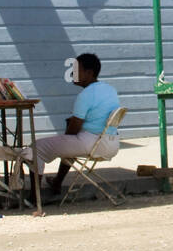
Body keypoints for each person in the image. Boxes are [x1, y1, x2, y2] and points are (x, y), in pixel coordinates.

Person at [25, 52, 121, 199]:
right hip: (111, 143)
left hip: (92, 142)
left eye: (76, 70)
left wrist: (61, 144)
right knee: (69, 143)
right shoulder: (110, 90)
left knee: (35, 148)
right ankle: (57, 183)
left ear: (89, 73)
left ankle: (34, 197)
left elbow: (74, 129)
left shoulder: (86, 95)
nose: (72, 73)